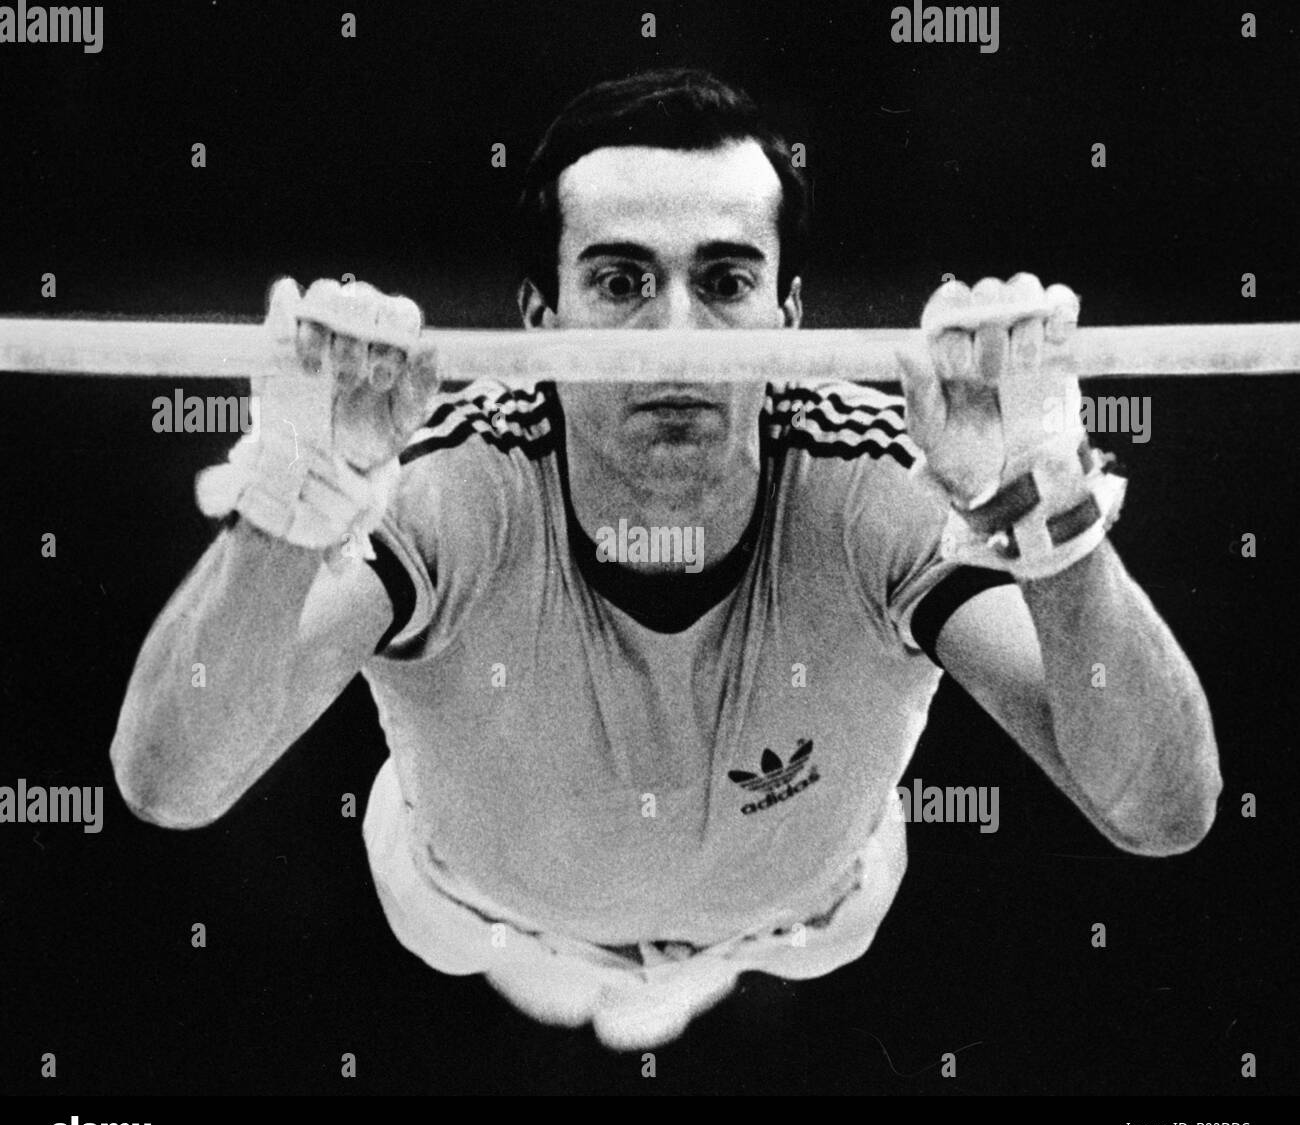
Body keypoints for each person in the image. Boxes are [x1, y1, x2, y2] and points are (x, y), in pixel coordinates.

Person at [111, 68, 1222, 1050]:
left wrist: (1043, 510)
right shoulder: (448, 483)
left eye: (726, 283)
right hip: (480, 914)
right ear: (540, 317)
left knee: (709, 972)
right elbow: (171, 783)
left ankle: (665, 984)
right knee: (547, 975)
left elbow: (1161, 812)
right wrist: (293, 501)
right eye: (621, 282)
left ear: (789, 317)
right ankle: (622, 986)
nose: (676, 335)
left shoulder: (880, 487)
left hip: (797, 921)